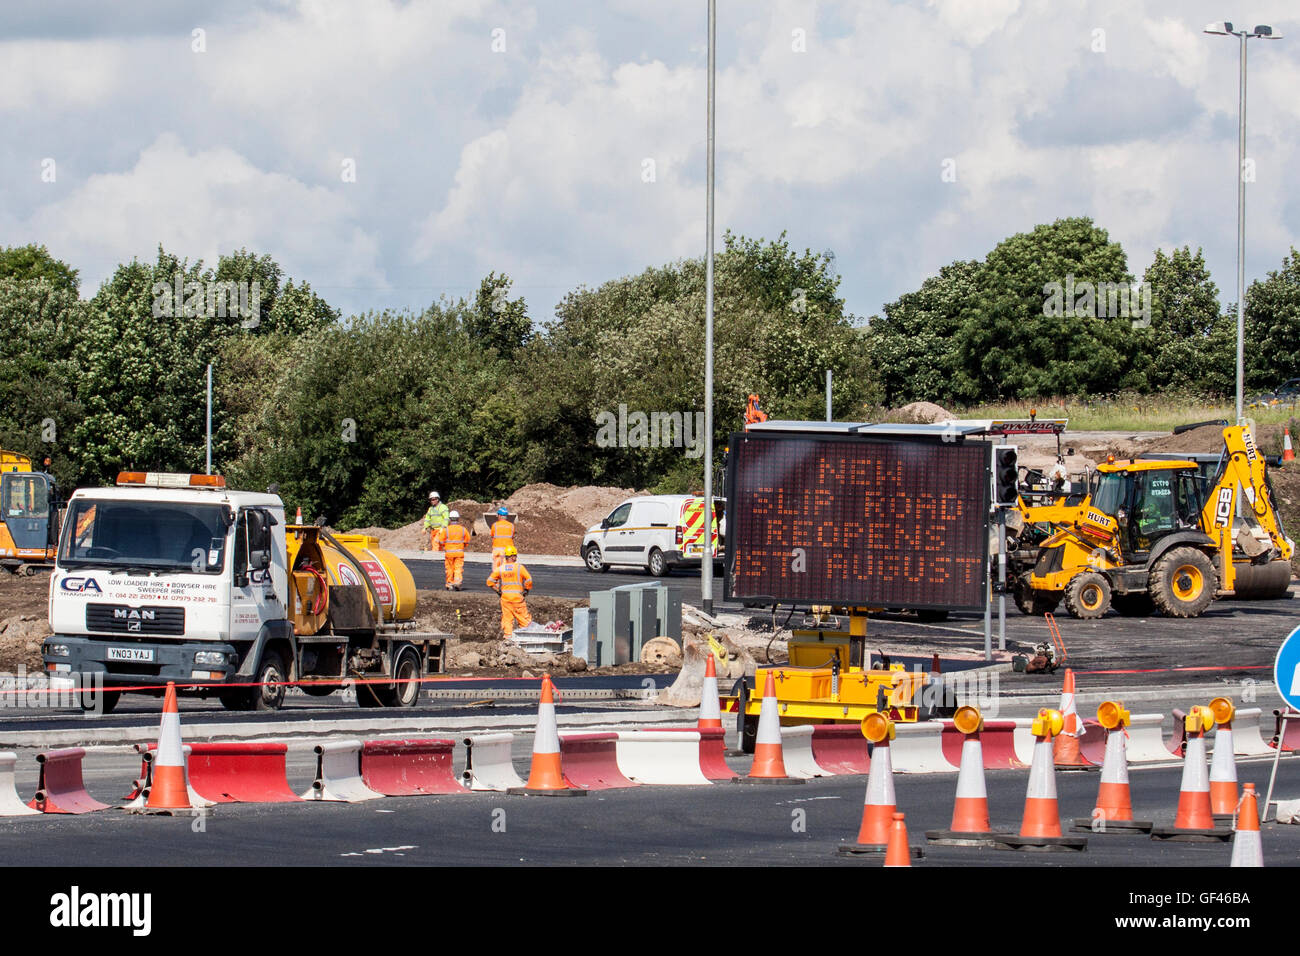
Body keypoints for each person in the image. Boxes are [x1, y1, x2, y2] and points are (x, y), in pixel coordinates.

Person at [486, 545, 532, 637]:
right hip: (517, 599)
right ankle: (527, 637)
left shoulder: (501, 569)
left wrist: (498, 591)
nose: (516, 558)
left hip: (505, 599)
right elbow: (529, 579)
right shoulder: (519, 568)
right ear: (513, 556)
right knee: (524, 619)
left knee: (507, 619)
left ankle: (508, 638)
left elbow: (489, 581)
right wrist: (526, 589)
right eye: (515, 555)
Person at [434, 510, 474, 590]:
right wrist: (463, 546)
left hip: (449, 554)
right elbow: (467, 541)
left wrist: (446, 546)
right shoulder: (463, 529)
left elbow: (441, 541)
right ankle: (457, 582)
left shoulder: (446, 530)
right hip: (459, 553)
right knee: (458, 568)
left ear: (450, 519)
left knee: (449, 569)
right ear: (458, 519)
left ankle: (449, 584)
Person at [490, 506, 515, 571]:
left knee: (496, 572)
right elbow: (512, 537)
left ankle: (496, 581)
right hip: (508, 552)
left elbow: (492, 536)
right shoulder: (511, 526)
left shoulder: (494, 525)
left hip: (497, 551)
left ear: (500, 515)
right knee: (507, 571)